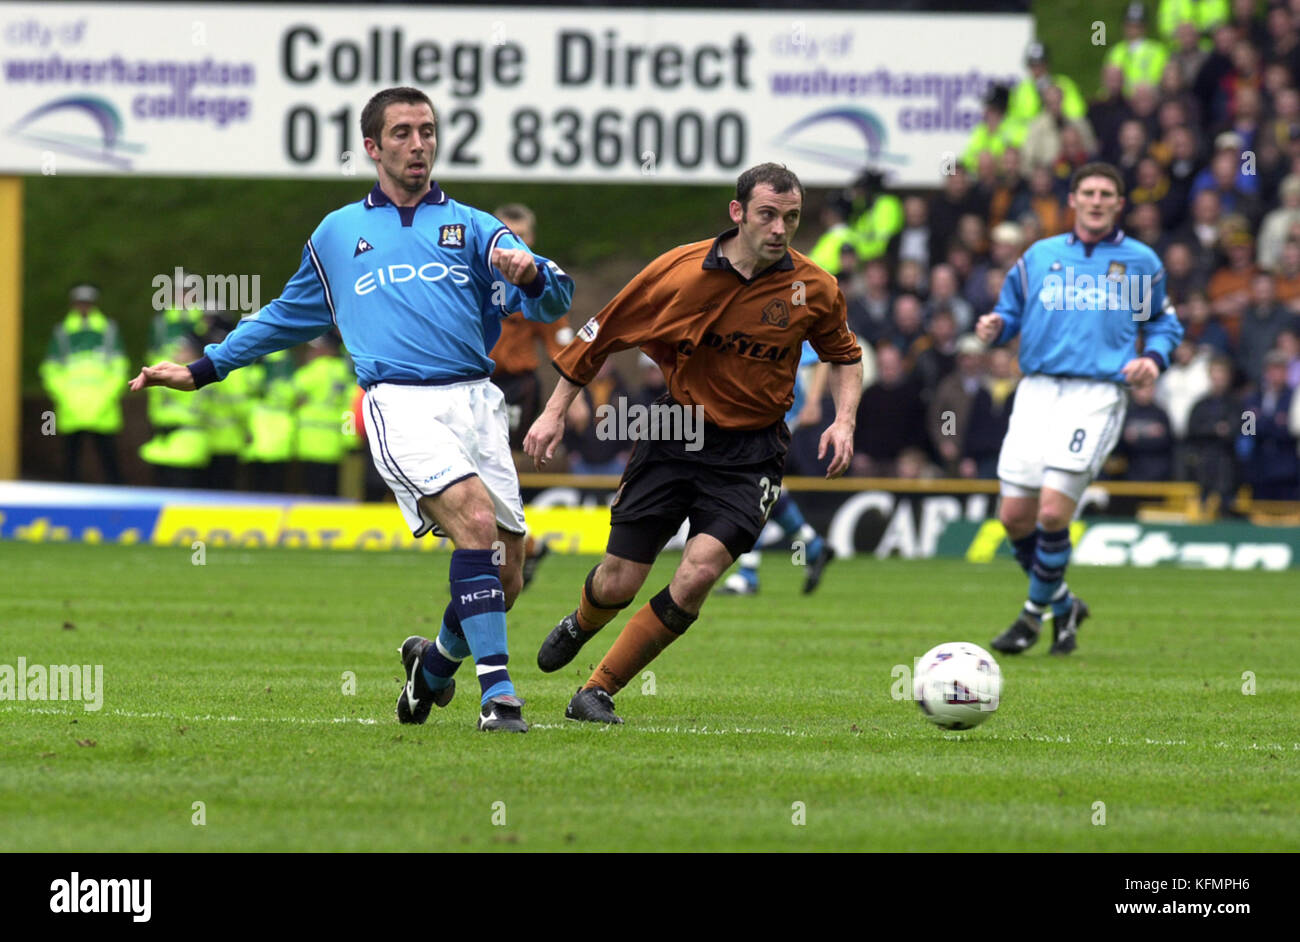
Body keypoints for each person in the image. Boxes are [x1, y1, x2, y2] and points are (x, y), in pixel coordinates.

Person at [129, 86, 574, 733]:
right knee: (474, 522)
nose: (418, 143)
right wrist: (202, 369)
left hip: (477, 403)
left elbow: (552, 301)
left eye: (426, 130)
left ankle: (431, 670)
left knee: (507, 574)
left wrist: (529, 274)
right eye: (401, 133)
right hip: (399, 402)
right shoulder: (337, 235)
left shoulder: (478, 227)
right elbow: (285, 318)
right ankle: (499, 697)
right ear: (372, 146)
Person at [523, 163, 862, 724]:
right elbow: (600, 334)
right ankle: (581, 621)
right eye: (768, 215)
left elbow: (845, 357)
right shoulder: (678, 272)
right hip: (675, 433)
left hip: (752, 452)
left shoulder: (815, 288)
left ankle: (597, 691)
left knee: (699, 572)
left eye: (792, 217)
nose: (780, 229)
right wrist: (554, 412)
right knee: (620, 580)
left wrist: (843, 420)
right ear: (738, 214)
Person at [976, 161, 1184, 656]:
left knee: (1052, 511)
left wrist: (1153, 360)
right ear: (1072, 200)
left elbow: (1163, 323)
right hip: (1037, 389)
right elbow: (1009, 312)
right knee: (1014, 515)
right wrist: (994, 328)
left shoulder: (1139, 262)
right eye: (1087, 192)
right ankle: (1064, 604)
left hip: (1097, 393)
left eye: (1105, 193)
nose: (1095, 200)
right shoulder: (1040, 256)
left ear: (1119, 203)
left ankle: (1032, 616)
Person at [716, 341, 837, 596]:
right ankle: (813, 548)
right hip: (749, 409)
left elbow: (820, 355)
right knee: (764, 486)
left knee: (750, 487)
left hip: (776, 410)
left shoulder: (780, 308)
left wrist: (813, 402)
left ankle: (748, 574)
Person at [39, 284, 127, 484]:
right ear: (73, 304)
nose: (83, 308)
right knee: (70, 462)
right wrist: (64, 396)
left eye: (87, 303)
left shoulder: (108, 331)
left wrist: (108, 395)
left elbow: (120, 368)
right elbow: (50, 370)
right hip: (72, 408)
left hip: (102, 407)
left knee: (110, 461)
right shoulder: (61, 332)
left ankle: (118, 504)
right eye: (80, 303)